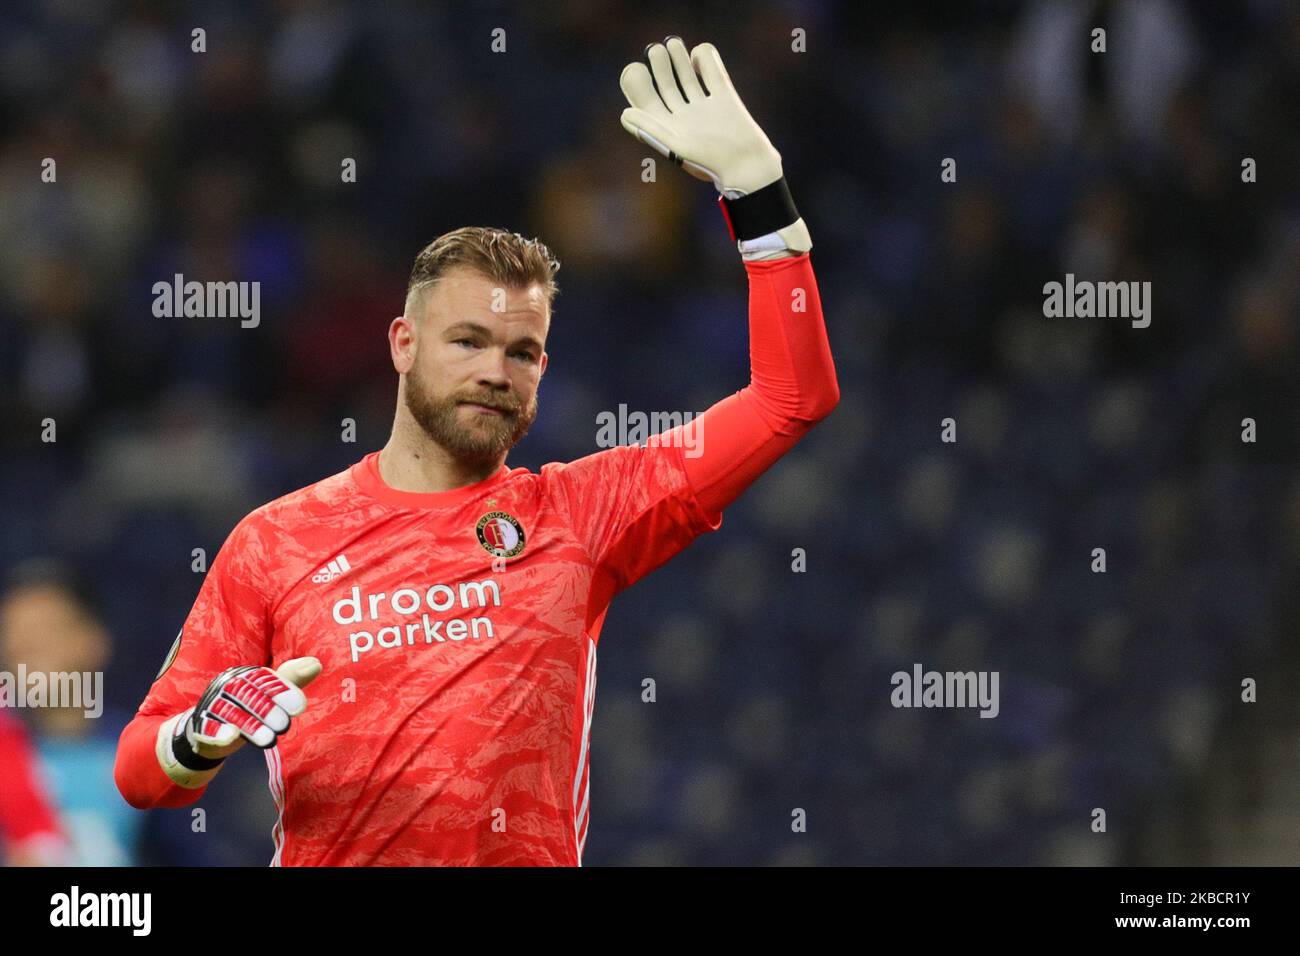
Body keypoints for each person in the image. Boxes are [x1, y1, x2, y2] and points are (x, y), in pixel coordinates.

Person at [114, 38, 838, 865]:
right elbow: (140, 773)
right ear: (402, 343)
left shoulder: (581, 511)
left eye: (522, 352)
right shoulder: (274, 541)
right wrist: (197, 736)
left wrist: (760, 203)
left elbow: (792, 398)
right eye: (467, 341)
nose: (496, 371)